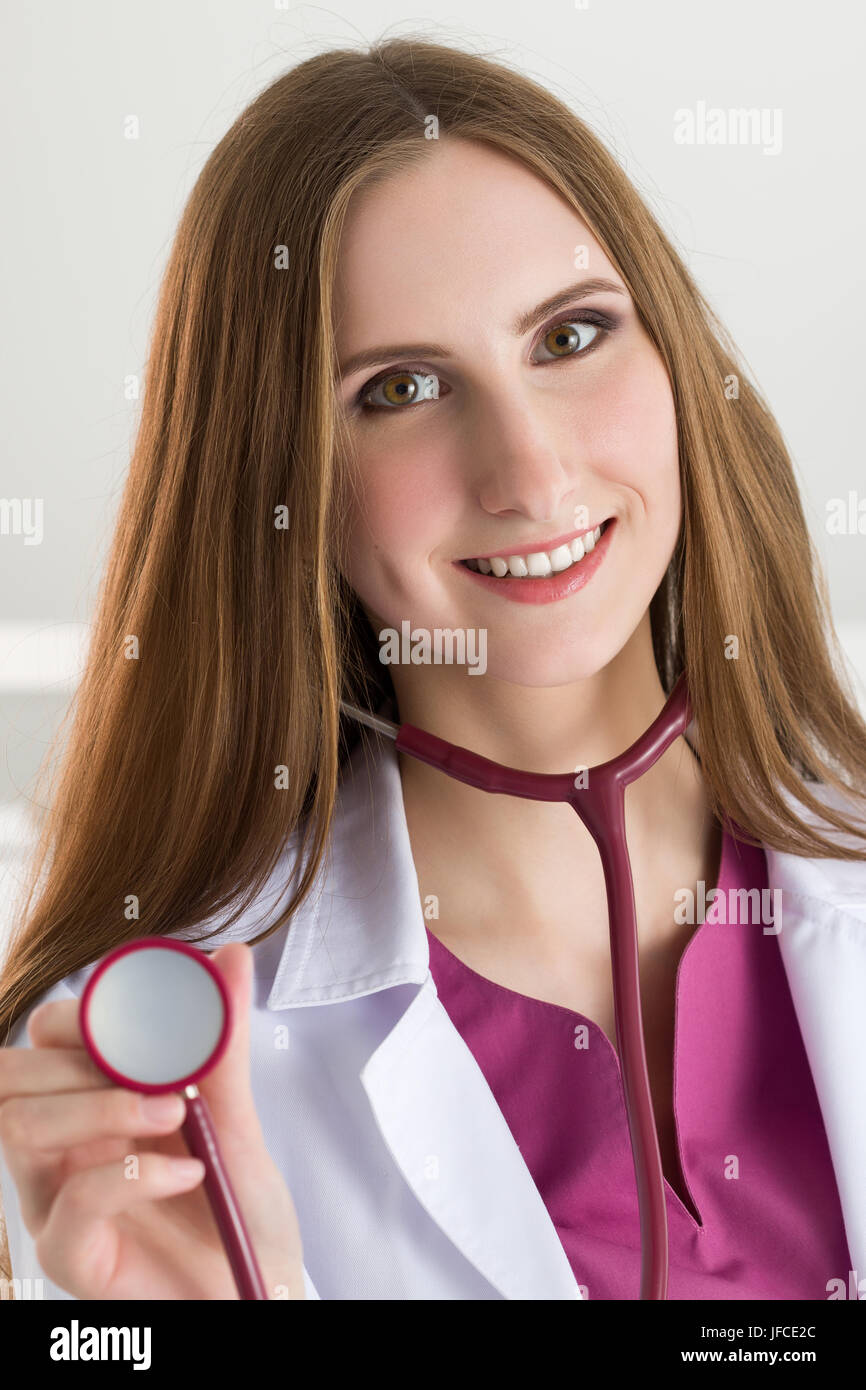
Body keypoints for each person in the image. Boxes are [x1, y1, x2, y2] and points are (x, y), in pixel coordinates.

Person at [1, 35, 866, 1302]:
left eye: (570, 336)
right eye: (399, 388)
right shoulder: (137, 1082)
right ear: (281, 489)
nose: (530, 474)